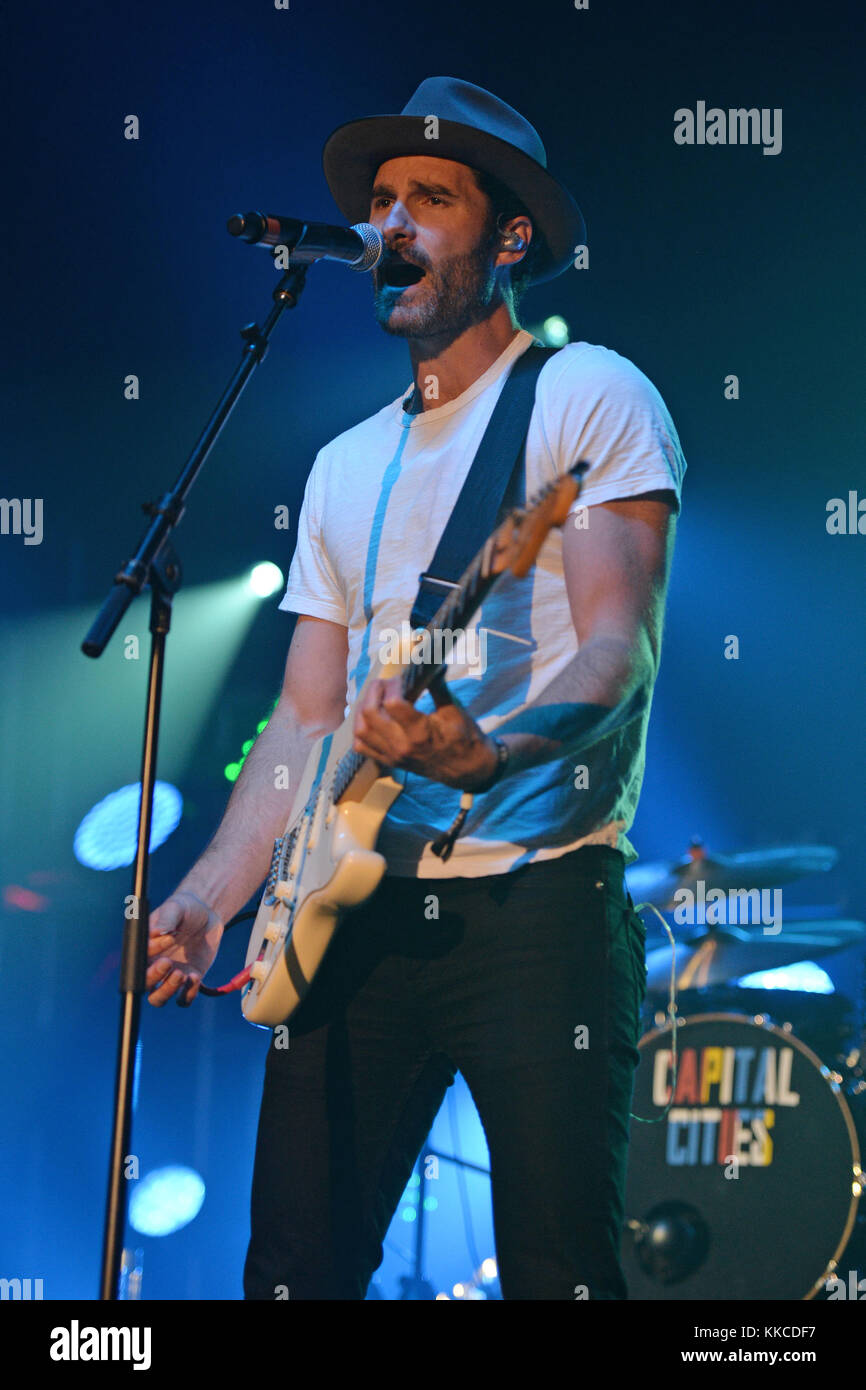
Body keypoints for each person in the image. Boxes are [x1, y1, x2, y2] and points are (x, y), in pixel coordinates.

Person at [146, 76, 687, 1300]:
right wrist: (209, 895)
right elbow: (302, 717)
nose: (388, 222)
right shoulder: (342, 463)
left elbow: (616, 648)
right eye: (380, 200)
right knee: (292, 1264)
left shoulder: (585, 394)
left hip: (537, 912)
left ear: (509, 239)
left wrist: (488, 752)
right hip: (356, 912)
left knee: (560, 1272)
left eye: (427, 199)